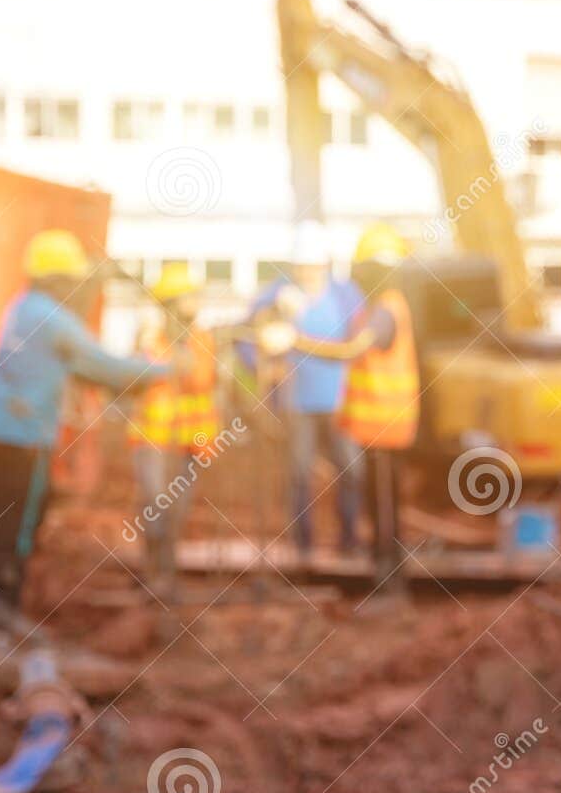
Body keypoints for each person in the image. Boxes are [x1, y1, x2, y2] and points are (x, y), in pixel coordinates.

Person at [0, 229, 169, 630]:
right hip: (25, 440)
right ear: (59, 279)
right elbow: (102, 366)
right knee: (19, 524)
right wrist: (161, 372)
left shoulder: (21, 308)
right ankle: (5, 611)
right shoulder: (53, 319)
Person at [276, 225, 420, 594]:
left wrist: (296, 340)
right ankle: (379, 574)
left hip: (386, 427)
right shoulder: (376, 306)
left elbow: (349, 350)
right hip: (369, 426)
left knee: (383, 508)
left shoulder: (385, 310)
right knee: (376, 504)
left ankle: (391, 586)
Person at [248, 220, 363, 558]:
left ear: (325, 264)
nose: (307, 272)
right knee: (299, 471)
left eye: (312, 266)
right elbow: (250, 337)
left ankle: (350, 540)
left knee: (351, 469)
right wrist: (265, 363)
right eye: (301, 266)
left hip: (341, 399)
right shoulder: (277, 294)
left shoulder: (346, 294)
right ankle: (302, 543)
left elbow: (361, 340)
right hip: (297, 399)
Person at [130, 262, 220, 601]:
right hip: (152, 437)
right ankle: (151, 571)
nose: (195, 302)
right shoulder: (150, 337)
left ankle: (166, 575)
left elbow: (201, 379)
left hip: (188, 441)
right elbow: (136, 377)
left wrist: (182, 355)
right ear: (171, 303)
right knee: (153, 503)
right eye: (188, 297)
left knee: (177, 508)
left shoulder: (201, 339)